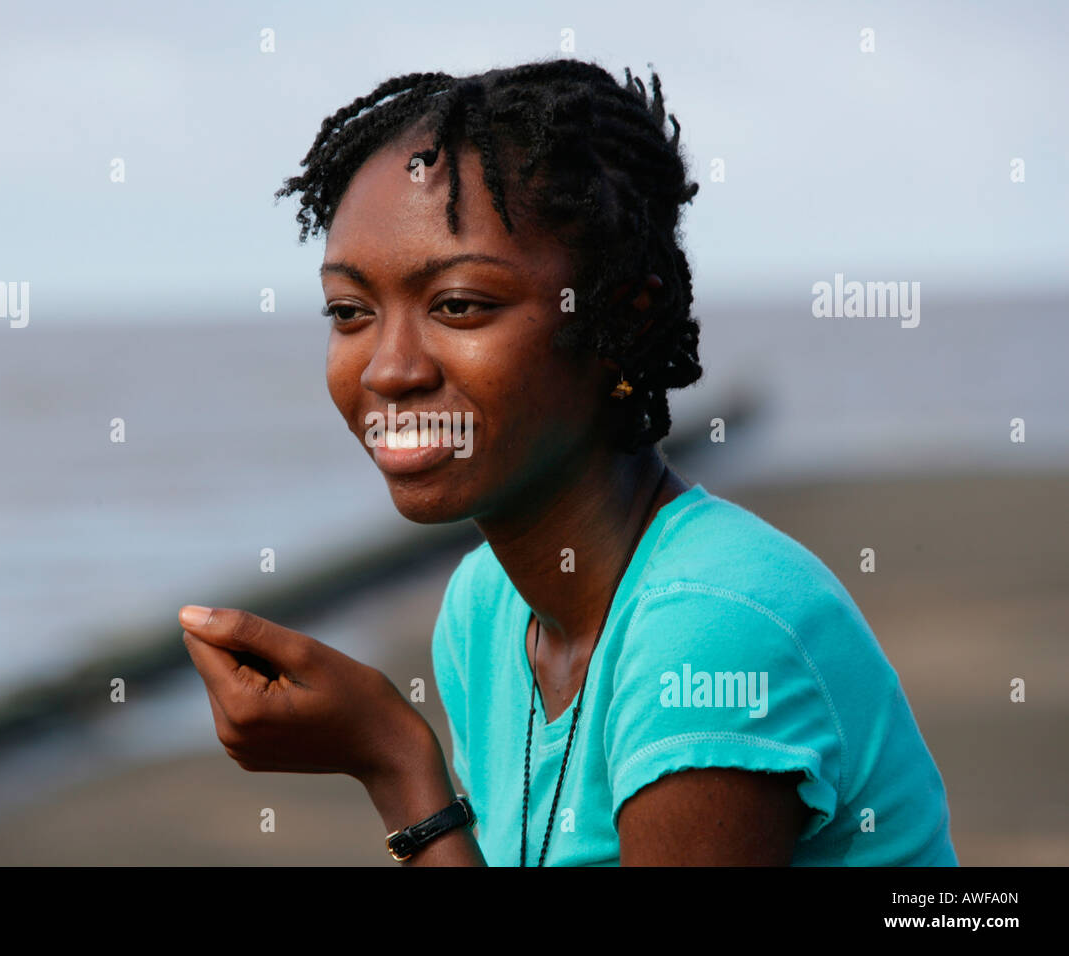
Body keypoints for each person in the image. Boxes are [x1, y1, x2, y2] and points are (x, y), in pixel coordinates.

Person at [181, 59, 958, 866]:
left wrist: (395, 762)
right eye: (350, 312)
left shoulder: (710, 632)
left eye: (459, 306)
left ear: (622, 317)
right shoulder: (485, 606)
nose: (388, 368)